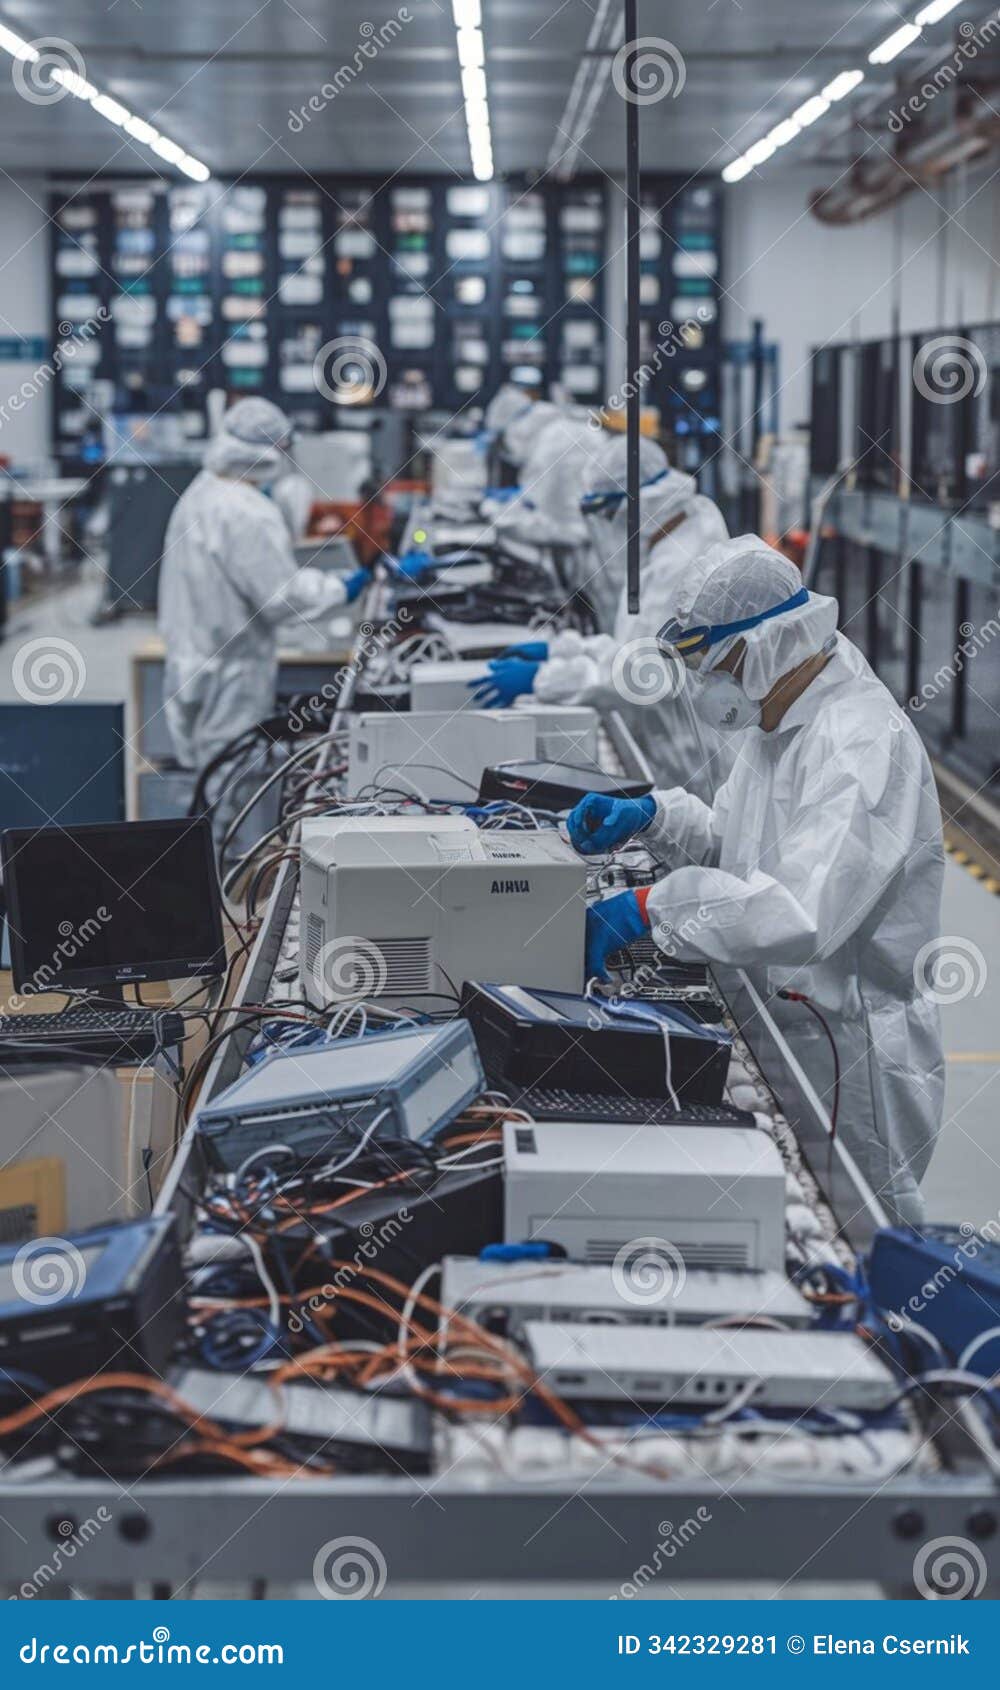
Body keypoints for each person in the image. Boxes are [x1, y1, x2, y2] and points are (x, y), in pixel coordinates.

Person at [566, 535, 945, 1227]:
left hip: (850, 1054)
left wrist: (653, 906)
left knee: (864, 1248)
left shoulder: (860, 742)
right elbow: (737, 846)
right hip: (789, 1023)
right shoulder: (780, 722)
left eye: (714, 663)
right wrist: (655, 816)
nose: (705, 683)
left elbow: (798, 910)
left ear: (769, 644)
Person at [471, 435, 732, 800]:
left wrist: (546, 679)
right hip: (671, 744)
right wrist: (562, 651)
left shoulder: (680, 562)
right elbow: (638, 646)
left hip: (693, 762)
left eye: (610, 513)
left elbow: (646, 672)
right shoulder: (668, 537)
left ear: (634, 505)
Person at [158, 398, 370, 829]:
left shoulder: (201, 491)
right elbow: (282, 599)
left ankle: (209, 881)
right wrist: (344, 586)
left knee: (207, 782)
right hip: (232, 673)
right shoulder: (248, 510)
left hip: (190, 663)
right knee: (231, 796)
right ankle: (228, 887)